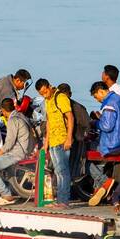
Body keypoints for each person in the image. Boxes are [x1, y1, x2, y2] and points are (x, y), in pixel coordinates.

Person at [86, 80, 120, 204]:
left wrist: (95, 123)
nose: (97, 100)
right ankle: (101, 190)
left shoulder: (109, 104)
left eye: (96, 97)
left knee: (84, 157)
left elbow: (107, 126)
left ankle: (103, 182)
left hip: (113, 144)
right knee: (99, 163)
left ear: (101, 91)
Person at [0, 97, 37, 205]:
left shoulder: (13, 120)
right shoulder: (21, 116)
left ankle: (7, 195)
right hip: (25, 150)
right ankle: (7, 190)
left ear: (2, 110)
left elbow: (9, 144)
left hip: (18, 154)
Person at [35, 78, 75, 207]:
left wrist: (69, 138)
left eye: (45, 91)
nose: (44, 94)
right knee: (57, 171)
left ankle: (64, 201)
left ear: (49, 86)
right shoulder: (47, 100)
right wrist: (45, 144)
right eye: (41, 93)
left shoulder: (61, 97)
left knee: (63, 171)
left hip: (62, 140)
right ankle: (60, 200)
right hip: (52, 141)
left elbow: (70, 117)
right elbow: (49, 123)